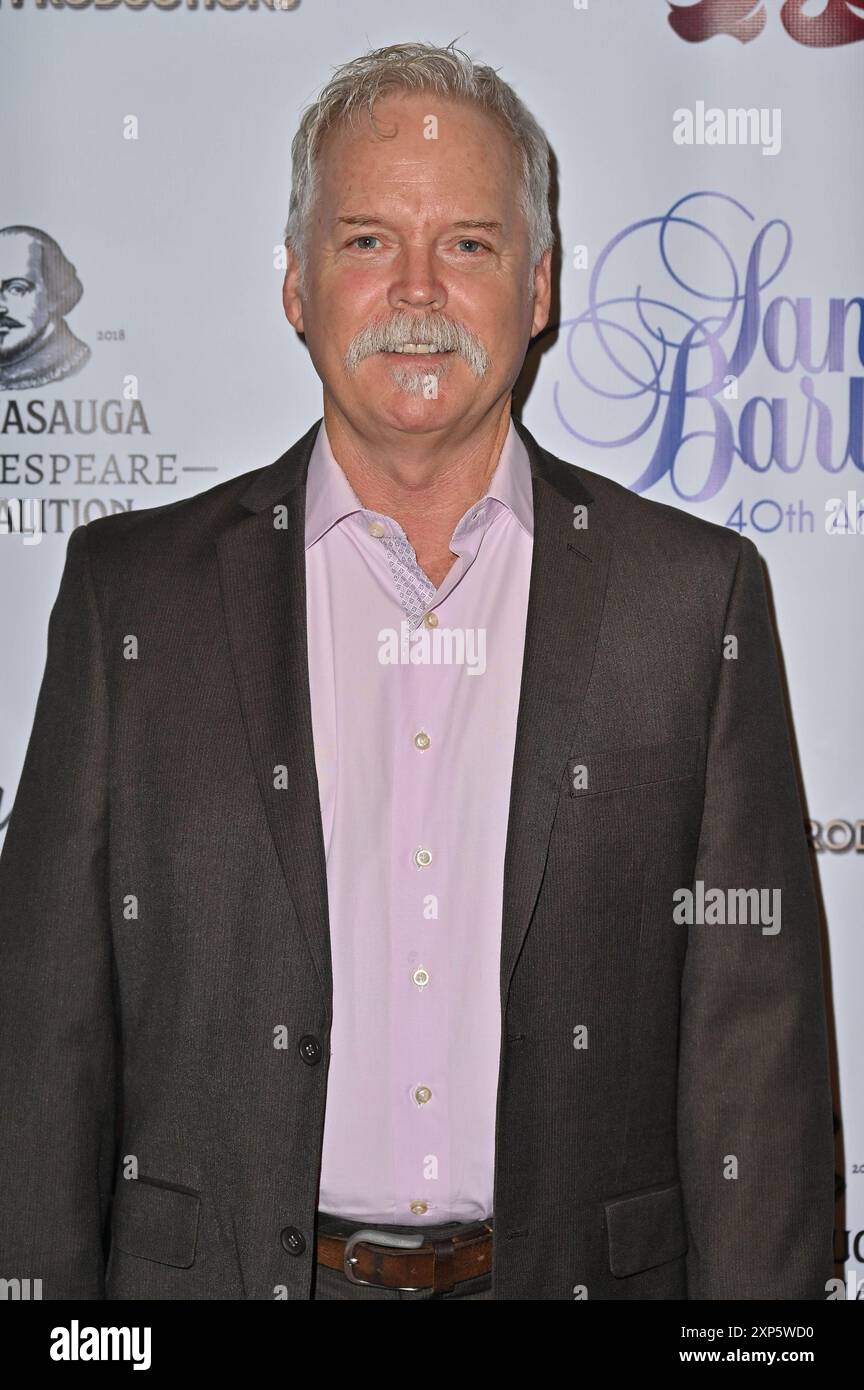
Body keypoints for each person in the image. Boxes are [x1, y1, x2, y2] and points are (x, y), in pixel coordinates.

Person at [0, 40, 834, 1301]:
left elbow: (756, 1063)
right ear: (295, 284)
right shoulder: (136, 599)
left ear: (541, 287)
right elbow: (42, 1042)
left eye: (472, 244)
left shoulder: (691, 600)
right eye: (366, 241)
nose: (418, 290)